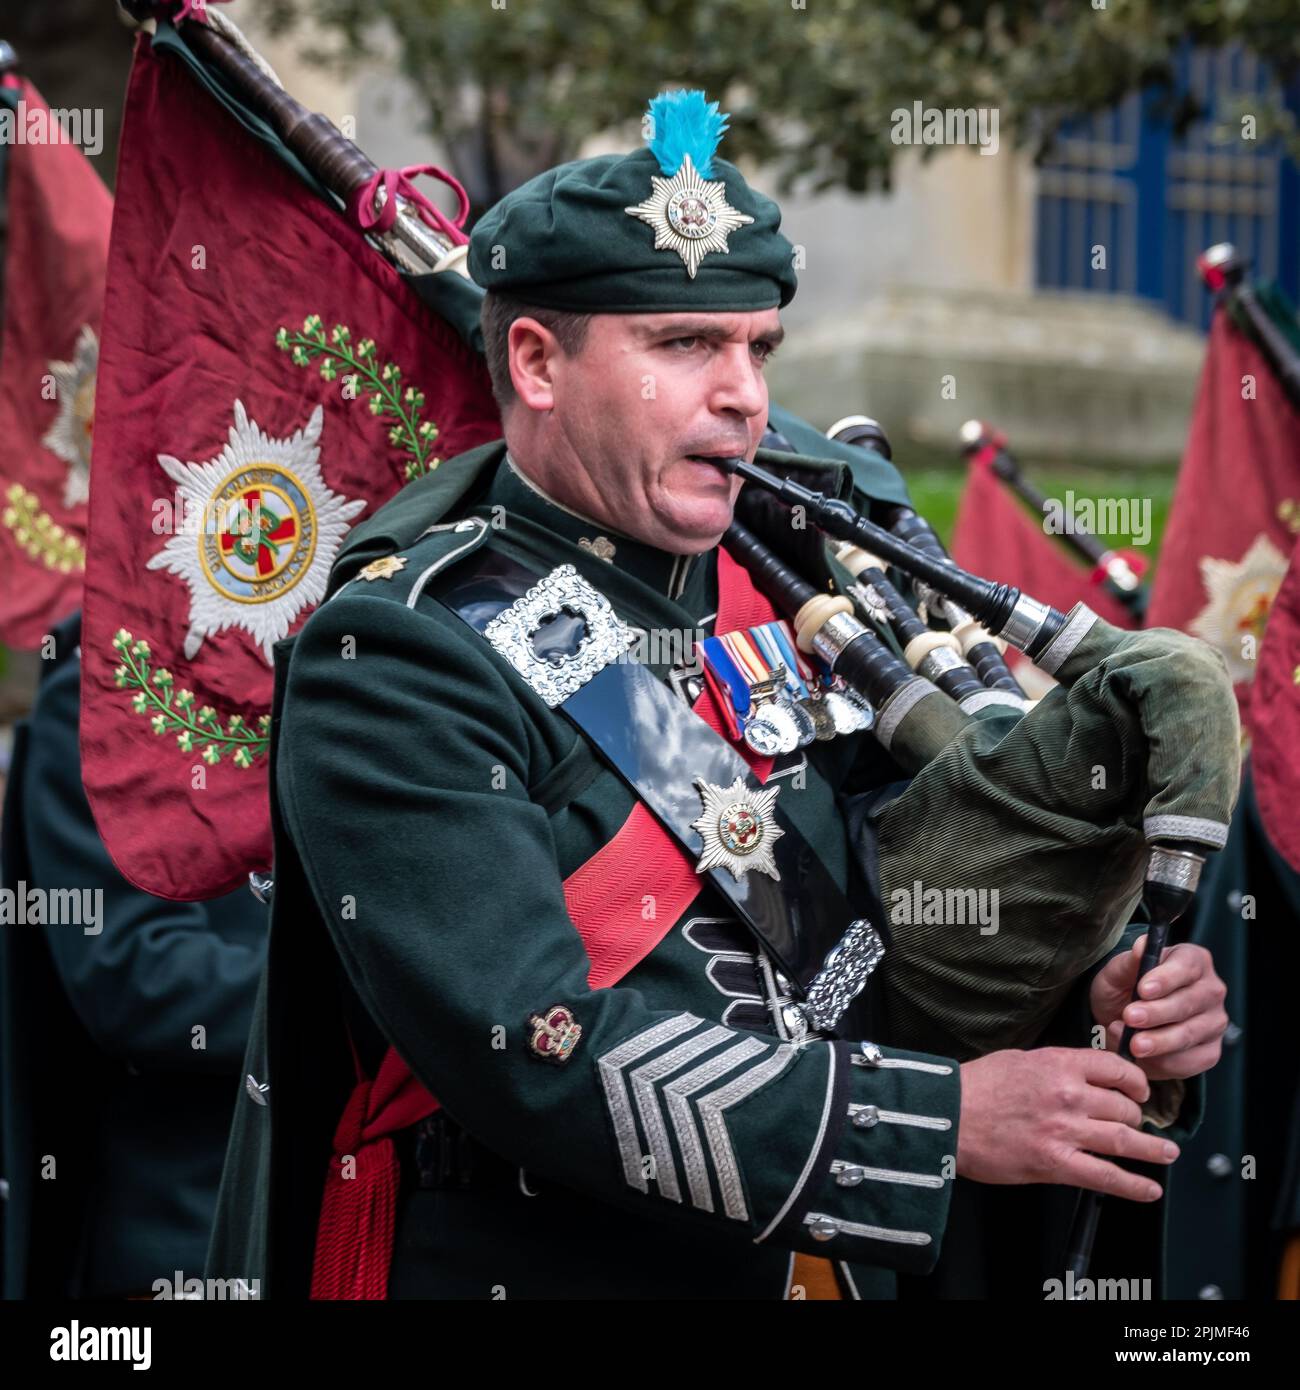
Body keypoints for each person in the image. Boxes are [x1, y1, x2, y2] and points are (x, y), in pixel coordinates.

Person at [206, 90, 1228, 1300]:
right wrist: (933, 1126)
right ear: (535, 361)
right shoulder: (400, 652)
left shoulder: (781, 599)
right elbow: (532, 1047)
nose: (744, 393)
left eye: (759, 347)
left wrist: (1083, 996)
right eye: (686, 344)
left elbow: (868, 959)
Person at [0, 611, 266, 1298]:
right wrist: (373, 990)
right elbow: (135, 975)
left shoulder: (389, 635)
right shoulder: (115, 675)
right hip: (193, 1233)